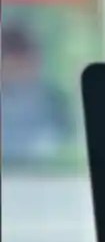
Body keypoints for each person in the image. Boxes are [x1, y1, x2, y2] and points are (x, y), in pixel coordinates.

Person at [1, 24, 72, 162]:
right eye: (17, 65)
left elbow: (64, 140)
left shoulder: (54, 100)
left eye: (28, 64)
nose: (24, 72)